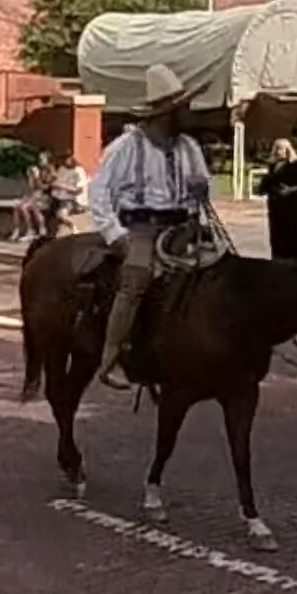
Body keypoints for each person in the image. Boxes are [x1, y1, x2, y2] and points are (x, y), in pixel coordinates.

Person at [90, 63, 210, 390]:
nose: (188, 113)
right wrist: (115, 235)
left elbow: (200, 190)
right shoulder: (127, 147)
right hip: (140, 228)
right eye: (181, 108)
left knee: (218, 271)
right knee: (137, 278)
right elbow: (98, 192)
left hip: (180, 227)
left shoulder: (189, 148)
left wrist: (198, 199)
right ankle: (110, 359)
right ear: (166, 113)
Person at [256, 138, 297, 260]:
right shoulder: (273, 166)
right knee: (276, 235)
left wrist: (291, 190)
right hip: (276, 206)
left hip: (292, 207)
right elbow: (266, 184)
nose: (278, 152)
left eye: (280, 149)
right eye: (276, 149)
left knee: (292, 236)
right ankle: (277, 258)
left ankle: (293, 260)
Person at [12, 152, 53, 241]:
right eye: (40, 159)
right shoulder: (40, 171)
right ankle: (17, 229)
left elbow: (45, 187)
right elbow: (32, 187)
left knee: (25, 207)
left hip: (45, 198)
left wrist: (37, 177)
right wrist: (31, 176)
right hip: (36, 196)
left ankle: (31, 231)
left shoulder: (51, 172)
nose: (40, 161)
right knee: (16, 206)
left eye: (42, 159)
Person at [51, 152, 89, 235]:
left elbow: (78, 190)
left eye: (66, 159)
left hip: (69, 199)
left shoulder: (78, 171)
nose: (65, 162)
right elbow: (56, 182)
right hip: (57, 197)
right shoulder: (62, 169)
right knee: (55, 217)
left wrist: (62, 186)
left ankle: (74, 227)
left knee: (62, 215)